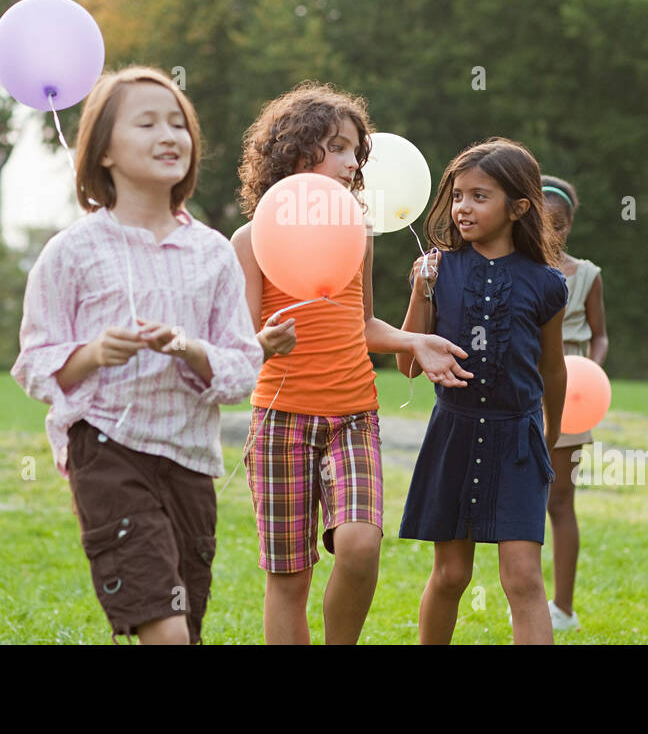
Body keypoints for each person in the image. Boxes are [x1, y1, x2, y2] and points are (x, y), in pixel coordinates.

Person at [11, 66, 263, 645]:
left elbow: (243, 366)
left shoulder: (213, 254)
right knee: (165, 630)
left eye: (178, 123)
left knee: (185, 626)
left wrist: (189, 349)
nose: (169, 135)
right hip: (106, 449)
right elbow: (34, 362)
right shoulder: (72, 252)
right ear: (104, 152)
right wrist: (94, 352)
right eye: (146, 123)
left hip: (191, 462)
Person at [231, 81, 470, 645]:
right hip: (279, 420)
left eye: (355, 152)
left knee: (361, 544)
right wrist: (264, 341)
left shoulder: (356, 237)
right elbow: (240, 340)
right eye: (337, 147)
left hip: (353, 416)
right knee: (289, 579)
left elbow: (361, 325)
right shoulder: (250, 238)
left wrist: (412, 343)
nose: (350, 162)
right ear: (294, 149)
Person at [396, 138, 569, 644]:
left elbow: (553, 368)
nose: (462, 208)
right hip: (452, 433)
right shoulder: (437, 270)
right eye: (457, 195)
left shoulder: (547, 283)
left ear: (518, 208)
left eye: (479, 196)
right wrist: (418, 290)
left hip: (517, 440)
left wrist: (552, 430)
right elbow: (407, 365)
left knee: (522, 577)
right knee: (450, 575)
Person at [539, 175, 608, 634]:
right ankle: (526, 596)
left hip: (571, 400)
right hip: (523, 396)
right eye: (544, 223)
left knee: (560, 502)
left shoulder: (586, 275)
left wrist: (592, 371)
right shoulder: (512, 270)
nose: (552, 232)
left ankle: (563, 608)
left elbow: (599, 335)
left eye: (560, 225)